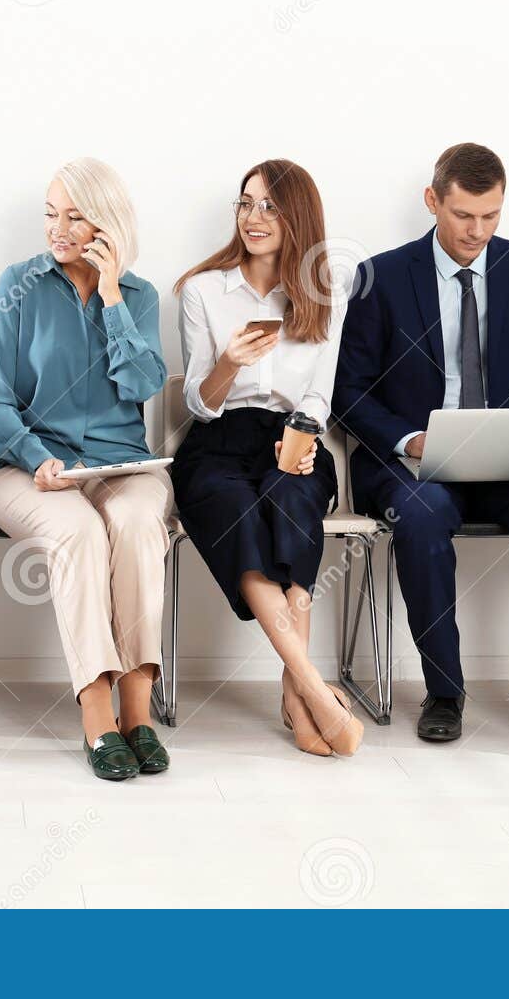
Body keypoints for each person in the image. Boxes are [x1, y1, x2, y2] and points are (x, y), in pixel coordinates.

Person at [334, 143, 509, 762]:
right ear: (433, 202)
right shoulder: (382, 276)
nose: (477, 231)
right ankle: (444, 692)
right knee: (421, 515)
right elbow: (348, 390)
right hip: (414, 466)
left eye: (491, 216)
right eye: (463, 216)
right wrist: (409, 440)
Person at [0, 157, 172, 782]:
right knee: (80, 531)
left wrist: (112, 296)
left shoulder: (140, 297)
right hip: (25, 468)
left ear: (108, 224)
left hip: (124, 466)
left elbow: (143, 384)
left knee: (139, 525)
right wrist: (39, 460)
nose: (57, 229)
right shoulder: (19, 286)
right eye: (49, 214)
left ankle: (138, 712)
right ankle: (96, 714)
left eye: (74, 216)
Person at [171, 159, 362, 757]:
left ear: (296, 215)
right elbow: (198, 404)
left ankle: (293, 695)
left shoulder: (326, 291)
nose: (253, 218)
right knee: (235, 509)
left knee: (294, 502)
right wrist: (229, 362)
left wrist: (301, 441)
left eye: (270, 207)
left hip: (293, 437)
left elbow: (320, 395)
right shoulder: (202, 290)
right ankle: (310, 687)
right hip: (219, 439)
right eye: (246, 203)